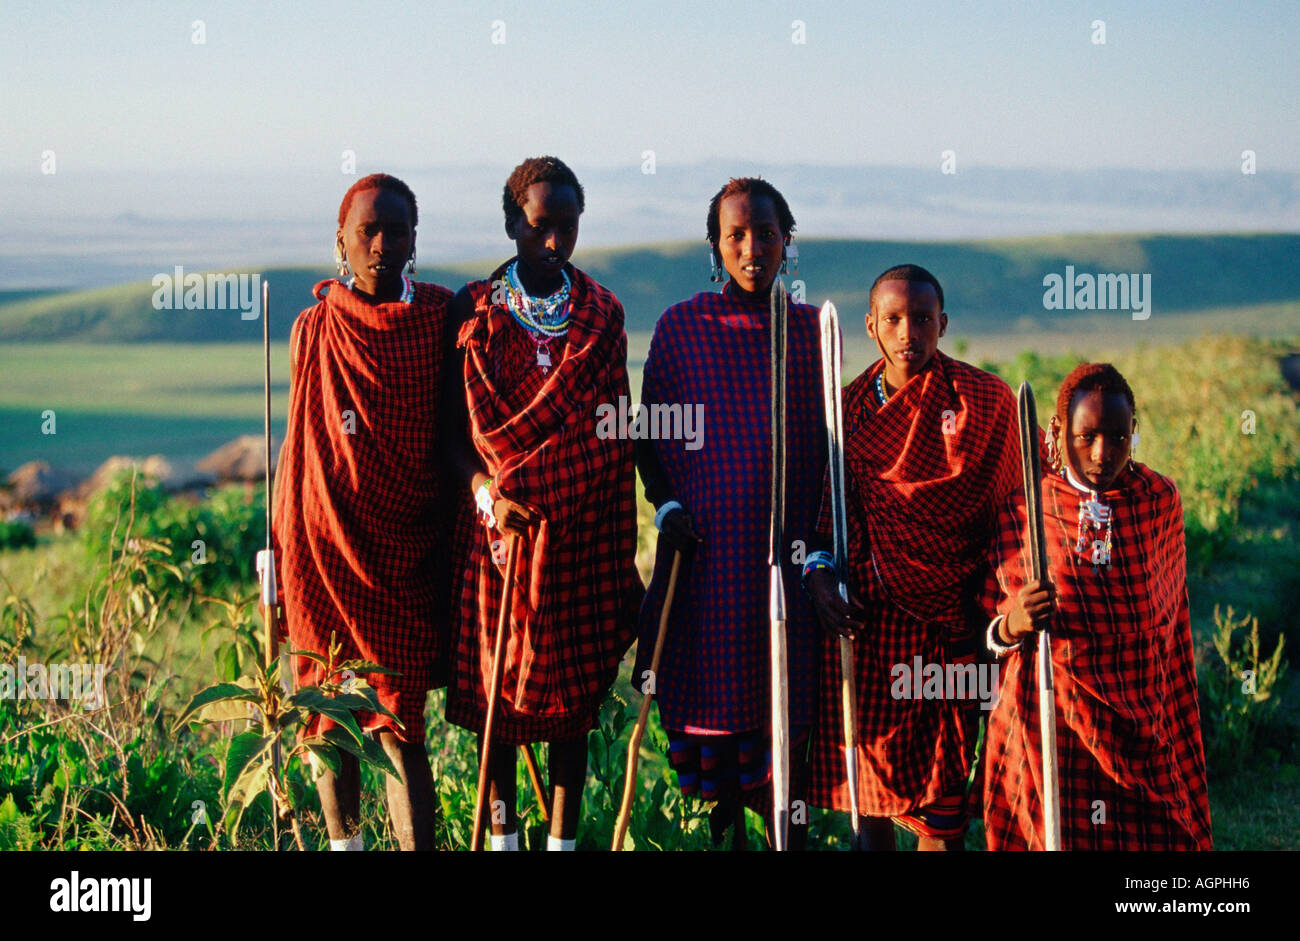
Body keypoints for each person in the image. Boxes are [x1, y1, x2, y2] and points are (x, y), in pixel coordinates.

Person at [443, 155, 643, 851]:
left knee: (568, 707)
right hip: (493, 536)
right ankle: (501, 840)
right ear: (510, 223)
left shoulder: (602, 314)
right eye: (539, 226)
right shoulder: (470, 312)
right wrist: (486, 494)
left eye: (568, 226)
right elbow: (453, 431)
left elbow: (611, 434)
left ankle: (561, 841)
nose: (554, 242)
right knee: (495, 704)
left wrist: (552, 491)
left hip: (578, 536)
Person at [635, 177, 825, 849]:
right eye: (735, 236)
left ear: (786, 243)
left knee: (786, 743)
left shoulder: (811, 333)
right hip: (709, 569)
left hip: (788, 570)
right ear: (715, 247)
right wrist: (670, 504)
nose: (752, 249)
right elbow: (648, 437)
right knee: (717, 765)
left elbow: (834, 449)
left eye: (766, 234)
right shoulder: (683, 329)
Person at [804, 264, 1020, 850]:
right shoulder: (847, 412)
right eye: (894, 320)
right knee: (867, 806)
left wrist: (1006, 612)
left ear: (943, 324)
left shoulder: (986, 403)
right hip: (869, 631)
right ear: (871, 326)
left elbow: (1015, 517)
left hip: (953, 631)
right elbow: (827, 521)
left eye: (922, 320)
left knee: (942, 810)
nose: (909, 334)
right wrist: (820, 580)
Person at [272, 173, 450, 851]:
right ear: (340, 241)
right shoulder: (313, 328)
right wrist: (276, 549)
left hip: (404, 554)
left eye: (395, 230)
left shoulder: (438, 317)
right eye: (366, 230)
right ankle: (343, 845)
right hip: (320, 552)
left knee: (400, 724)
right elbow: (297, 445)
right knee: (331, 716)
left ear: (414, 238)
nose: (381, 244)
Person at [979, 363, 1212, 850]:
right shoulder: (1026, 507)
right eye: (1087, 437)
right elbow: (990, 631)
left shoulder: (1158, 500)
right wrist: (1014, 622)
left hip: (1142, 721)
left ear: (1135, 433)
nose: (1103, 454)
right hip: (1051, 717)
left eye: (1118, 438)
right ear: (1060, 433)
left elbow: (1169, 627)